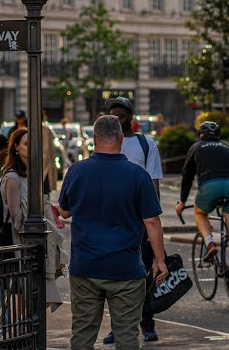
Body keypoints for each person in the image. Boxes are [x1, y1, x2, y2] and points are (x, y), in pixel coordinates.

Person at [58, 115, 168, 350]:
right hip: (126, 269)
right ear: (120, 138)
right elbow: (151, 221)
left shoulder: (76, 171)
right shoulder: (138, 175)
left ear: (94, 139)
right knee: (127, 336)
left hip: (85, 267)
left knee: (82, 336)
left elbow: (65, 211)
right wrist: (159, 260)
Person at [101, 95, 163, 343]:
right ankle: (119, 327)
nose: (116, 119)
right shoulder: (103, 145)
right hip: (112, 222)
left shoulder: (146, 145)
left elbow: (154, 184)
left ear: (131, 118)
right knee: (117, 278)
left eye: (121, 115)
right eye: (112, 115)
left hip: (139, 222)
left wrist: (154, 224)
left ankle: (147, 323)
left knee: (143, 276)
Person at [176, 122, 229, 287]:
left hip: (209, 186)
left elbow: (187, 177)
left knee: (200, 213)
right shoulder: (227, 146)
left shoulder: (196, 147)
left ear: (200, 134)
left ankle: (209, 243)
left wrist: (182, 202)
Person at [0, 128, 65, 307]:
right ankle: (25, 333)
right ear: (15, 147)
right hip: (22, 244)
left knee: (35, 298)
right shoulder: (12, 178)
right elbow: (16, 218)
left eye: (33, 144)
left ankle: (30, 333)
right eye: (27, 144)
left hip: (36, 244)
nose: (31, 148)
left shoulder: (33, 174)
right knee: (26, 298)